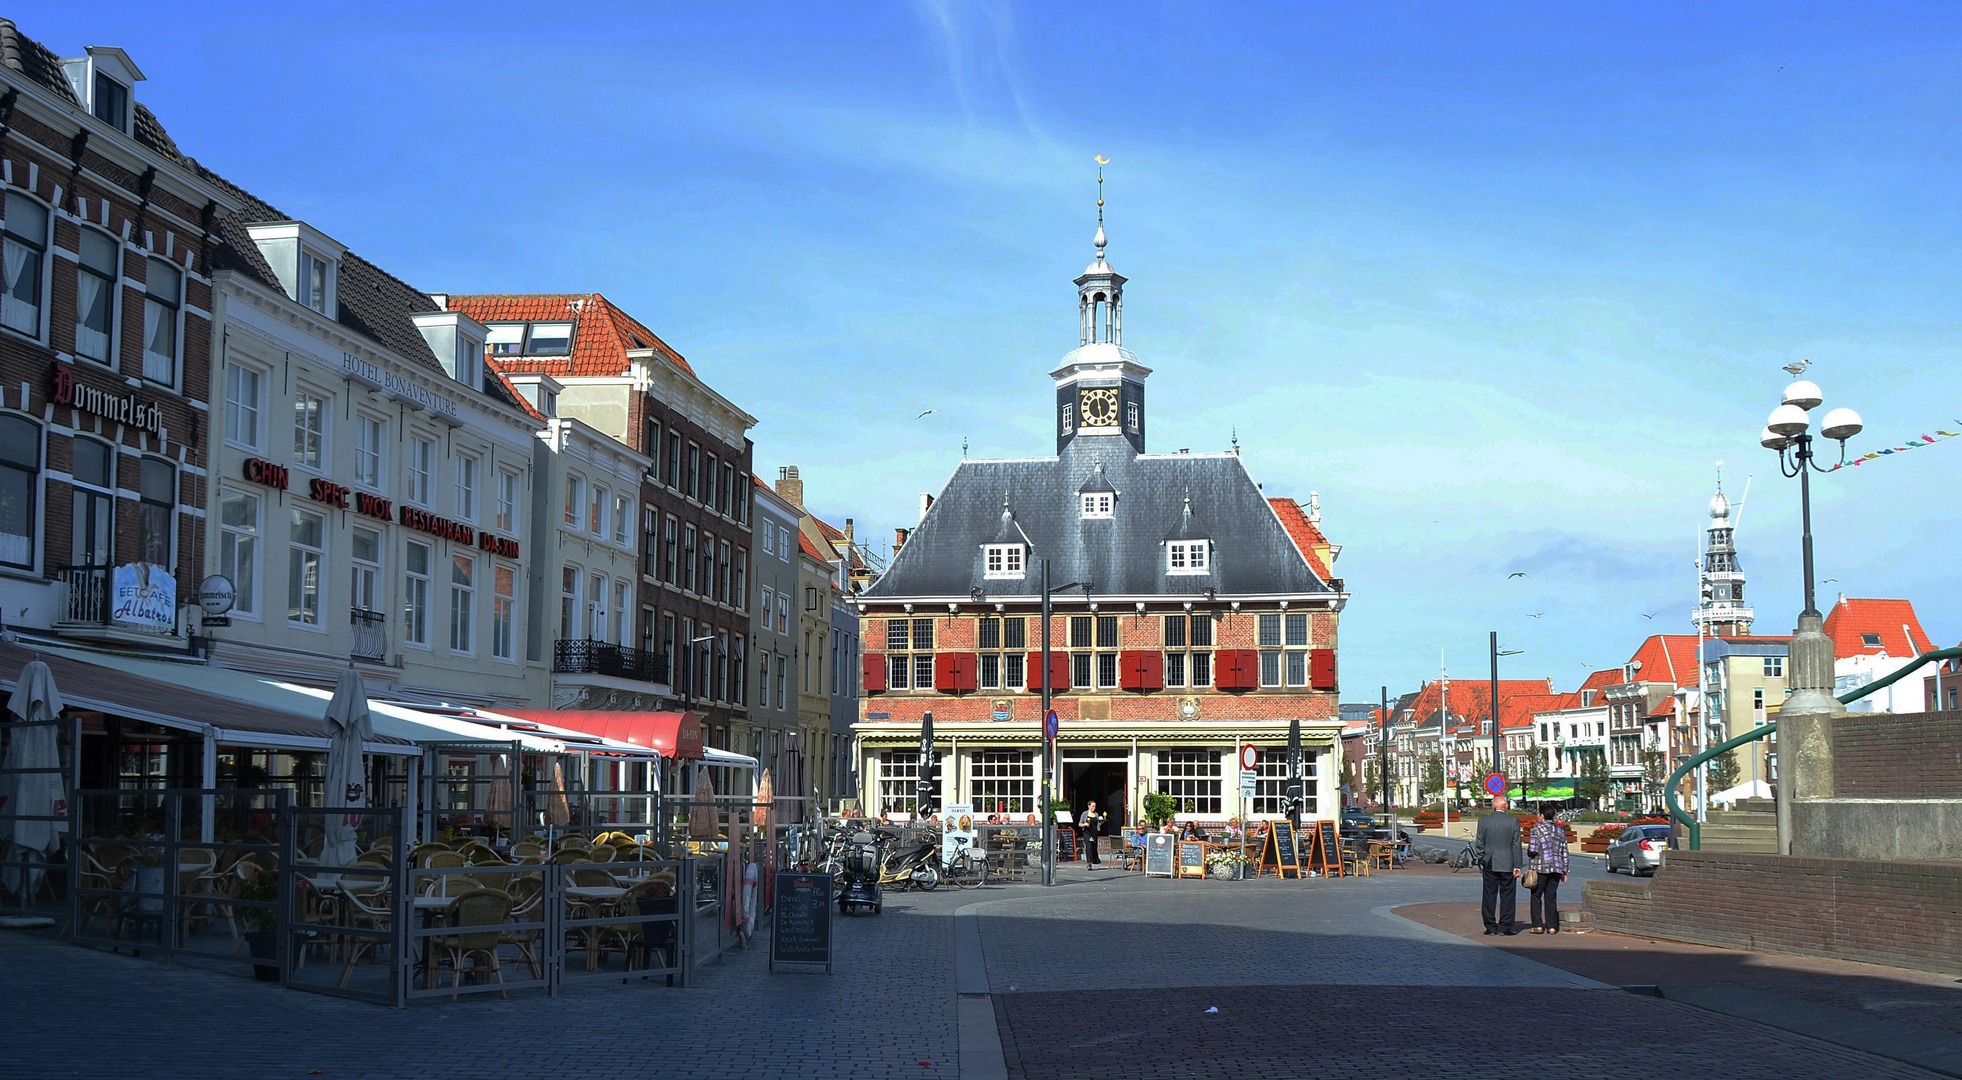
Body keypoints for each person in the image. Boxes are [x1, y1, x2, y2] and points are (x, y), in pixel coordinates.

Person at [1475, 795, 1525, 936]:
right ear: (1506, 806)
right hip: (1508, 862)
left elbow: (1479, 843)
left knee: (1489, 895)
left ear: (1493, 806)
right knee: (1508, 895)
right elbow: (1516, 845)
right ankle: (1505, 926)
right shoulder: (1513, 821)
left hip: (1490, 861)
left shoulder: (1483, 821)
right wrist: (1517, 865)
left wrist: (1482, 858)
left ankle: (1490, 926)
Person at [1526, 805, 1569, 934]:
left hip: (1540, 867)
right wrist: (1564, 870)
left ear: (1542, 815)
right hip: (1556, 867)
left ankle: (1537, 925)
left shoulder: (1536, 829)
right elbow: (1565, 852)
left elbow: (1533, 849)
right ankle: (1551, 926)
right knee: (1551, 897)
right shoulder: (1560, 831)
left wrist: (1528, 851)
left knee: (1536, 895)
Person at [1079, 801, 1106, 869]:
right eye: (1092, 806)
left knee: (1094, 847)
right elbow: (1080, 824)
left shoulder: (1096, 814)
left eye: (1094, 806)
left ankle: (1094, 860)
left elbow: (1097, 825)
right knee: (1089, 847)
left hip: (1094, 832)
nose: (1094, 808)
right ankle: (1089, 863)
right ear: (1089, 806)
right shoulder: (1085, 814)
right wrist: (1085, 824)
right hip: (1087, 832)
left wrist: (1102, 822)